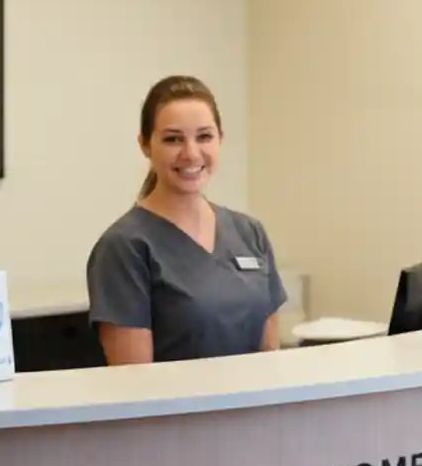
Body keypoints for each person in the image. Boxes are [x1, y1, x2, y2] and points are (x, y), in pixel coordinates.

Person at [85, 75, 288, 365]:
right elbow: (134, 385)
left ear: (221, 139)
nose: (191, 153)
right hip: (181, 411)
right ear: (145, 145)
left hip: (253, 410)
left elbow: (271, 356)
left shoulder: (249, 233)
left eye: (204, 136)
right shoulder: (124, 248)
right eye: (173, 139)